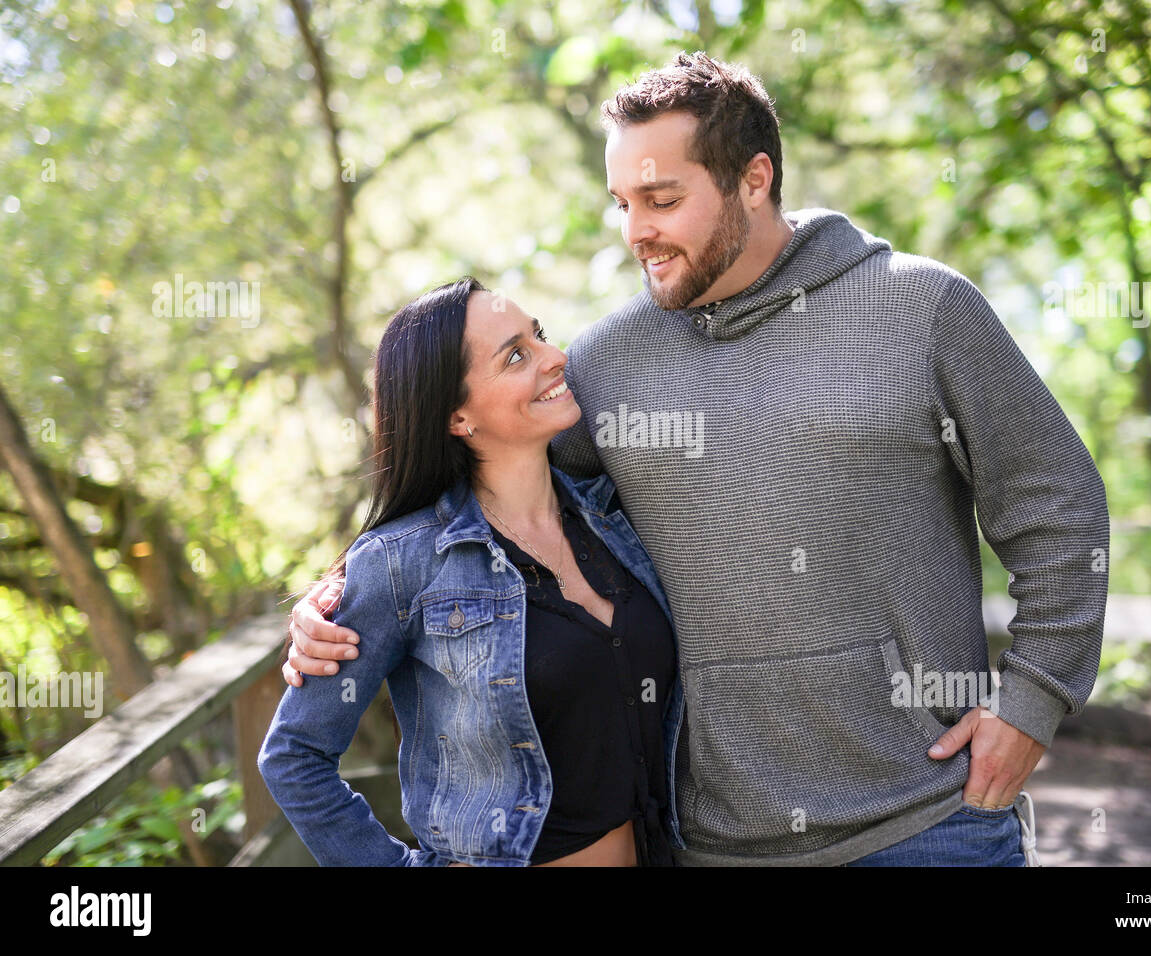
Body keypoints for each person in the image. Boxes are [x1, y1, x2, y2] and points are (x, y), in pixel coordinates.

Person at [286, 52, 1108, 866]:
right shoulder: (604, 366)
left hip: (930, 822)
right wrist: (338, 598)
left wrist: (1032, 700)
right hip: (713, 845)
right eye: (621, 202)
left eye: (662, 199)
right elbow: (486, 502)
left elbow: (1058, 507)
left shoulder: (921, 309)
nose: (635, 231)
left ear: (753, 179)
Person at [258, 277, 679, 866]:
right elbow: (294, 757)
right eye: (515, 355)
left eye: (540, 336)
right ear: (457, 416)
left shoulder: (611, 515)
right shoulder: (401, 564)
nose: (556, 358)